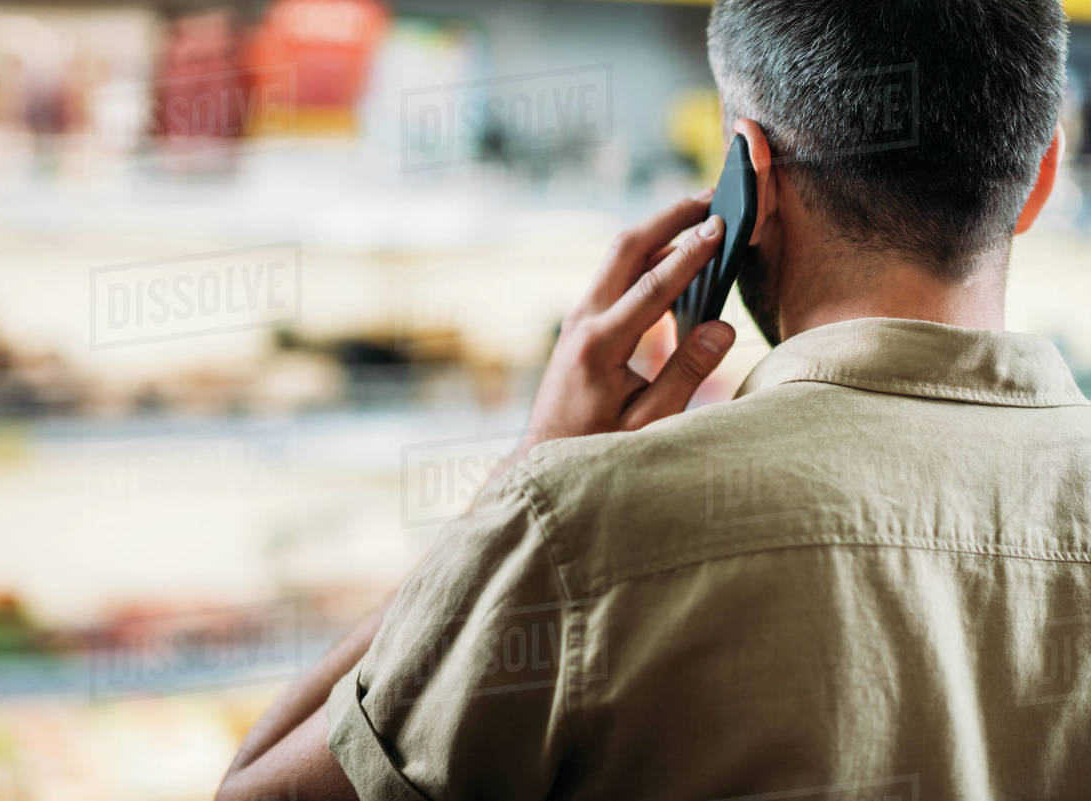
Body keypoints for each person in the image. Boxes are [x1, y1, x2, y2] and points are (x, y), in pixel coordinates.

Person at [218, 1, 1087, 798]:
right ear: (1043, 172)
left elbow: (251, 790)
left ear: (750, 178)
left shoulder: (574, 526)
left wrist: (530, 468)